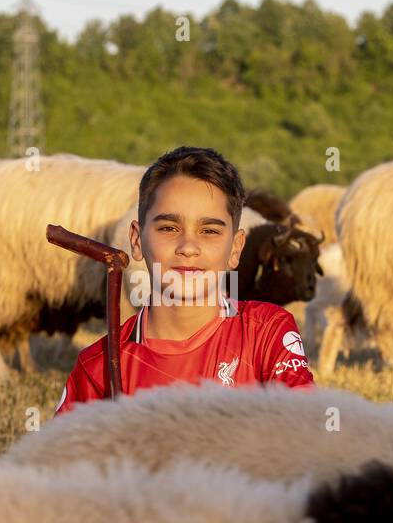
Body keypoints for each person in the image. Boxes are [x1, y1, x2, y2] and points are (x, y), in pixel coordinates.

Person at [54, 146, 314, 415]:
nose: (188, 247)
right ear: (136, 240)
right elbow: (60, 453)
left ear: (235, 249)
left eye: (209, 231)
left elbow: (304, 427)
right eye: (168, 228)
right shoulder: (97, 367)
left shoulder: (267, 332)